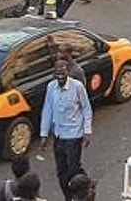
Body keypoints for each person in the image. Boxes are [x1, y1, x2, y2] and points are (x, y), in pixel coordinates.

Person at [39, 61, 93, 200]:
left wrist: (87, 131)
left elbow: (86, 108)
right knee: (61, 172)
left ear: (67, 72)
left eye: (63, 73)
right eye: (58, 74)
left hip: (74, 135)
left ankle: (86, 190)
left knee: (73, 169)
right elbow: (47, 110)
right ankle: (69, 197)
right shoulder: (51, 87)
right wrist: (44, 135)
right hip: (58, 136)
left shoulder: (77, 87)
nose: (61, 77)